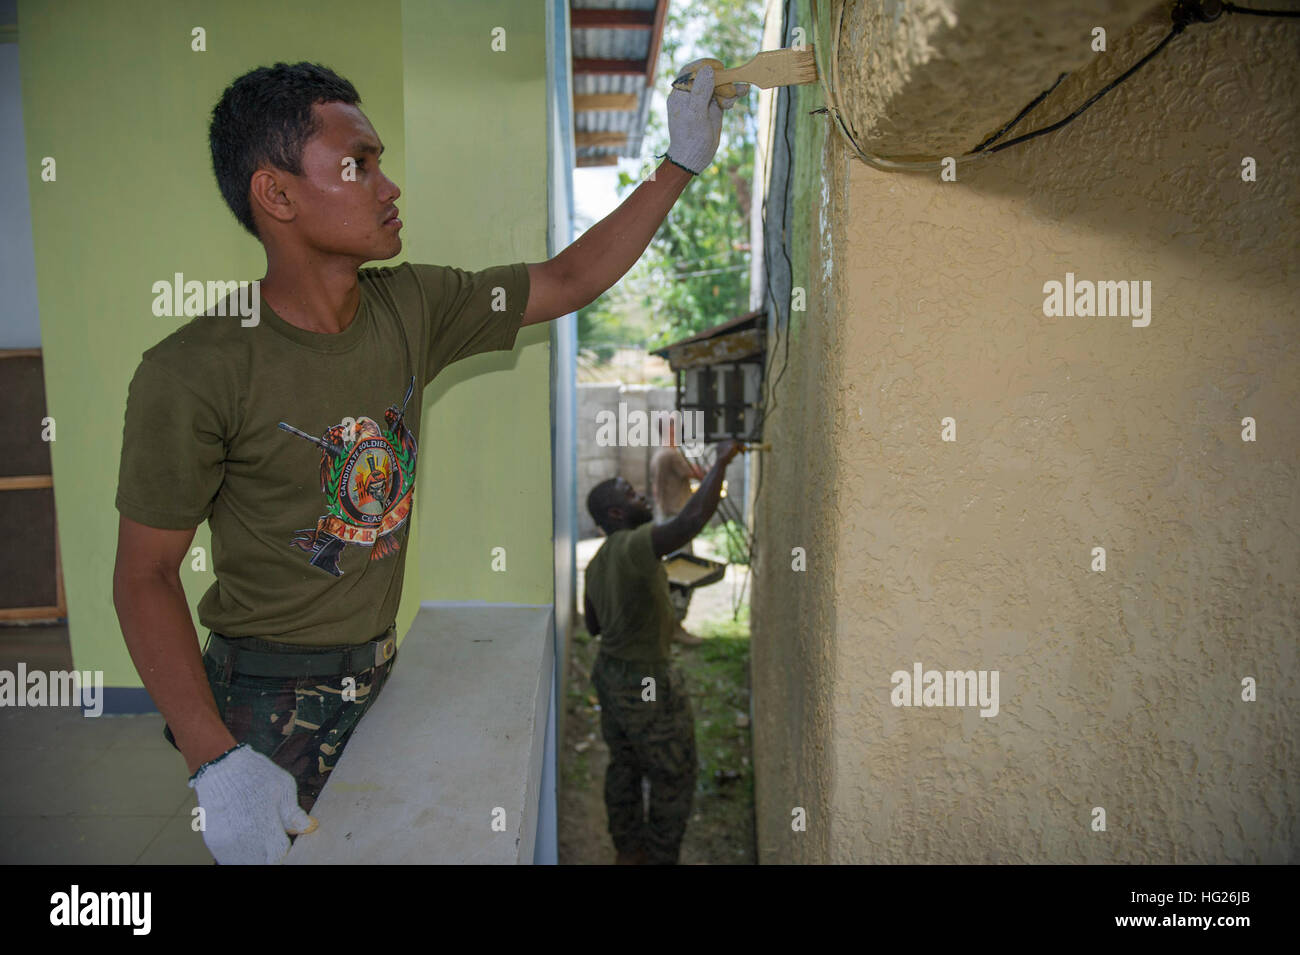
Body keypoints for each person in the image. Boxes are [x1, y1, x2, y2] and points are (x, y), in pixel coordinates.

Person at [111, 60, 747, 865]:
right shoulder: (193, 370)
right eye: (359, 165)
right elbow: (144, 575)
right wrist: (215, 758)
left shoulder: (411, 307)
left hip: (379, 675)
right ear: (277, 195)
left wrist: (679, 165)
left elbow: (567, 277)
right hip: (262, 704)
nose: (389, 186)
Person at [583, 439, 743, 864]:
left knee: (625, 765)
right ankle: (658, 856)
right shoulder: (634, 543)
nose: (641, 496)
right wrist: (722, 461)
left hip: (609, 675)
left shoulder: (599, 561)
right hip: (645, 683)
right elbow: (691, 520)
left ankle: (628, 850)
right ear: (617, 514)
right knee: (673, 774)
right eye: (632, 495)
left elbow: (593, 625)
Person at [649, 417, 706, 644]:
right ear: (670, 430)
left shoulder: (658, 454)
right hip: (676, 519)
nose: (681, 430)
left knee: (672, 571)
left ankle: (669, 625)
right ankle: (675, 626)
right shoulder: (672, 455)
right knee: (684, 570)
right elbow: (698, 474)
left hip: (665, 518)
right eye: (677, 427)